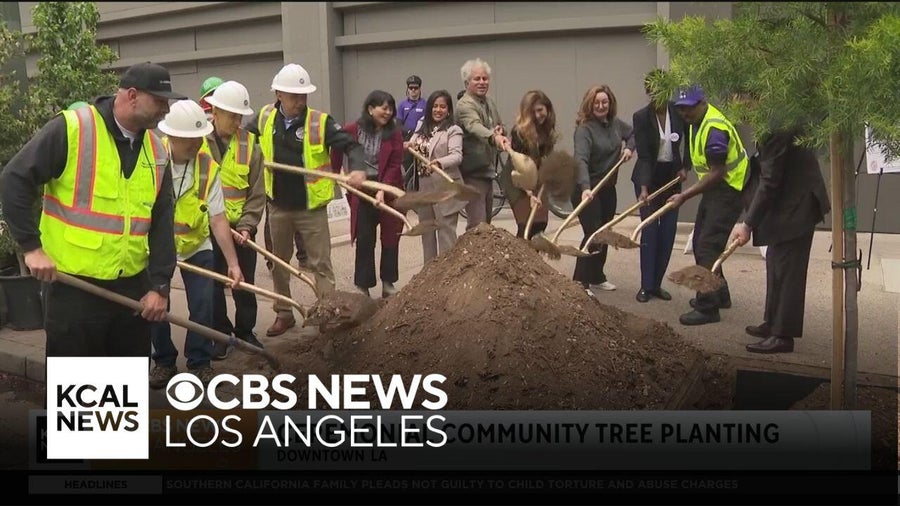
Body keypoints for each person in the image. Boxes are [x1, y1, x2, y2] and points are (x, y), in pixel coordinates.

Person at [0, 62, 182, 361]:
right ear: (132, 96)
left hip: (131, 291)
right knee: (80, 386)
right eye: (160, 101)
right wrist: (31, 248)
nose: (166, 110)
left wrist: (160, 286)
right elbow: (14, 179)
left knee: (122, 386)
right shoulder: (74, 129)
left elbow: (162, 221)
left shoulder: (157, 151)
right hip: (74, 290)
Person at [246, 63, 366, 337]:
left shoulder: (320, 122)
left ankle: (327, 315)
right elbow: (241, 142)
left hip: (311, 209)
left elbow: (352, 146)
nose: (300, 101)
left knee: (320, 265)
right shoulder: (264, 118)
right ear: (279, 95)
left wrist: (357, 168)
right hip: (278, 206)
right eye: (294, 96)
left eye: (304, 95)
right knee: (279, 263)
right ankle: (284, 313)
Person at [150, 100, 244, 387]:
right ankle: (164, 362)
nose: (197, 144)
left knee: (203, 305)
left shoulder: (207, 166)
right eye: (190, 139)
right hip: (157, 247)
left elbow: (218, 218)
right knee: (155, 305)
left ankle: (200, 361)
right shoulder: (152, 158)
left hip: (196, 245)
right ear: (172, 136)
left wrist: (233, 263)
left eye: (199, 137)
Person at [730, 125, 830, 353]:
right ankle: (772, 322)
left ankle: (783, 335)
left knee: (789, 270)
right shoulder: (769, 119)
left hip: (799, 204)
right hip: (787, 201)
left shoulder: (777, 126)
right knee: (776, 263)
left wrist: (747, 224)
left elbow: (770, 180)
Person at [667, 85, 749, 326]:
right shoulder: (697, 122)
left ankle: (707, 307)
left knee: (707, 246)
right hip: (717, 189)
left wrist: (684, 196)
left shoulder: (714, 129)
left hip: (729, 189)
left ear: (702, 103)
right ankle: (720, 294)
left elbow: (717, 172)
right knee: (701, 240)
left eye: (689, 108)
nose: (685, 113)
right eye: (681, 109)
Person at [202, 80, 267, 359]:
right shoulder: (198, 141)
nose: (237, 121)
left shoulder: (250, 145)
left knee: (245, 282)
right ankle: (221, 333)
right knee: (213, 283)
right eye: (232, 116)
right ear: (215, 112)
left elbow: (257, 192)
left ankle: (245, 330)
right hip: (207, 228)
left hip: (240, 229)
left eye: (240, 116)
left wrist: (247, 226)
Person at [331, 90, 404, 298]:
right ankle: (363, 285)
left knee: (391, 237)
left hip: (388, 189)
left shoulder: (394, 133)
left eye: (391, 109)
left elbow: (394, 164)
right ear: (370, 109)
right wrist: (337, 173)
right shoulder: (352, 130)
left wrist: (382, 189)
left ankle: (388, 283)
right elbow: (336, 148)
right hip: (361, 190)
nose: (388, 112)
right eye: (384, 108)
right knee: (364, 238)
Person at [631, 70, 690, 303]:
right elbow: (644, 155)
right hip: (648, 178)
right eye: (652, 90)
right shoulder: (641, 117)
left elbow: (690, 140)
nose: (657, 94)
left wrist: (686, 167)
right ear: (648, 92)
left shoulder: (679, 111)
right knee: (650, 232)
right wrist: (644, 188)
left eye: (661, 89)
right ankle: (645, 286)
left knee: (667, 232)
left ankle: (656, 285)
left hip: (671, 179)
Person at [572, 84, 634, 296]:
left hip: (607, 187)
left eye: (604, 102)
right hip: (586, 188)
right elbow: (580, 160)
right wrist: (585, 188)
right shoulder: (584, 130)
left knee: (605, 233)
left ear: (610, 103)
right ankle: (580, 282)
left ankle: (597, 276)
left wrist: (629, 148)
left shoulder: (616, 124)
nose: (601, 106)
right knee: (593, 233)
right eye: (596, 102)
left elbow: (633, 134)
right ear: (589, 104)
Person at [407, 89, 464, 262]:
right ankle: (430, 271)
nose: (438, 110)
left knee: (445, 230)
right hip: (424, 185)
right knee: (427, 230)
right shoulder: (422, 124)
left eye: (443, 107)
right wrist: (408, 144)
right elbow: (413, 142)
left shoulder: (453, 130)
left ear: (449, 110)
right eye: (435, 106)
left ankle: (448, 271)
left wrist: (440, 163)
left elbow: (457, 156)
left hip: (444, 185)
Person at [455, 58, 510, 230]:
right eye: (477, 79)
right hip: (472, 173)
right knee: (477, 227)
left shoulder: (489, 102)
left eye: (485, 78)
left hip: (487, 171)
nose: (482, 82)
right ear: (467, 83)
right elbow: (474, 126)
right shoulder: (464, 105)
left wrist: (501, 130)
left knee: (486, 224)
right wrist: (493, 137)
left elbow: (500, 125)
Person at [498, 90, 558, 239]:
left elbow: (546, 157)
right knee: (526, 226)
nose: (537, 115)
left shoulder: (547, 130)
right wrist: (529, 193)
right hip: (517, 180)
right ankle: (519, 254)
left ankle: (534, 254)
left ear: (547, 108)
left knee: (540, 225)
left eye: (540, 110)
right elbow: (518, 166)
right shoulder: (520, 132)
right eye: (532, 112)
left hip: (537, 178)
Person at [397, 75, 426, 140]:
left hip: (420, 138)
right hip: (405, 137)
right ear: (407, 89)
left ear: (420, 89)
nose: (413, 90)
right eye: (411, 88)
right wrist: (407, 131)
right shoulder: (402, 105)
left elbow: (427, 122)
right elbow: (398, 124)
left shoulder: (425, 104)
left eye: (416, 88)